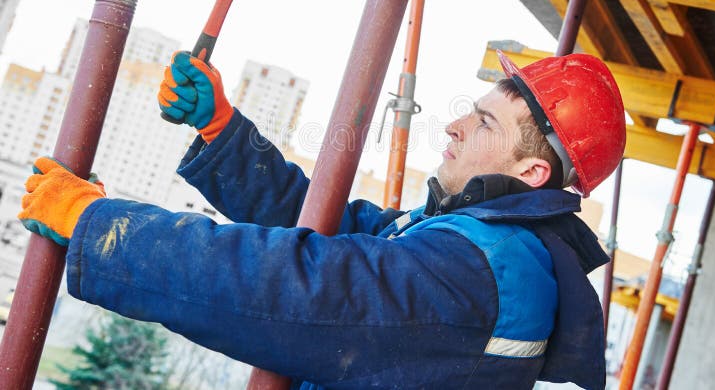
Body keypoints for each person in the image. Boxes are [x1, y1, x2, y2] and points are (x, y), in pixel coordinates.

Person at [19, 49, 626, 390]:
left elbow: (294, 286)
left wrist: (98, 224)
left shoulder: (480, 269)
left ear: (531, 175)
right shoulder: (478, 242)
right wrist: (223, 132)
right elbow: (335, 227)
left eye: (485, 123)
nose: (454, 126)